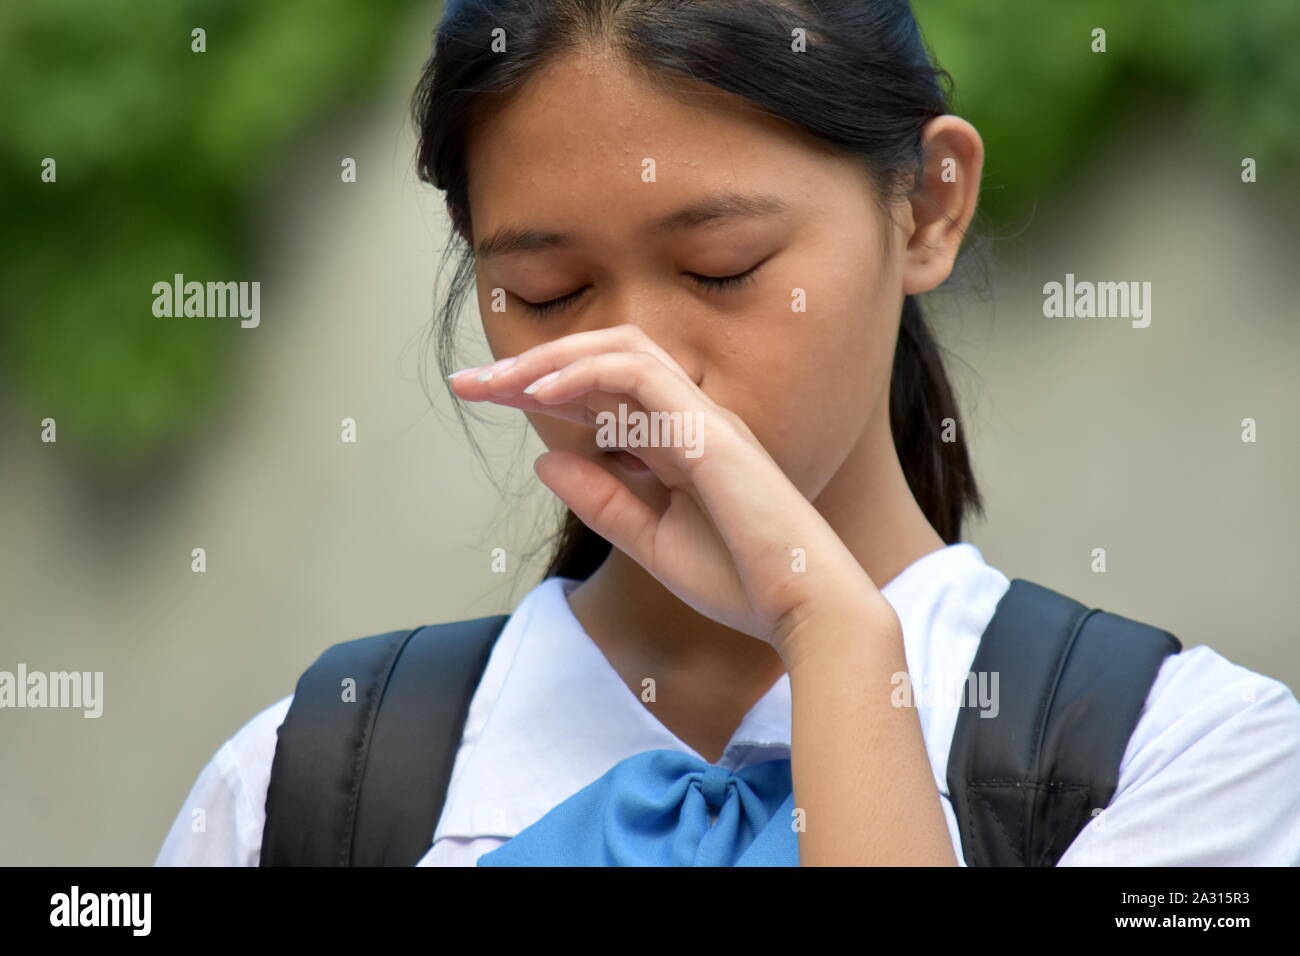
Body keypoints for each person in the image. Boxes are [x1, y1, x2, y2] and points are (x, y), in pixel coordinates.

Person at [156, 0, 1300, 866]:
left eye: (723, 267)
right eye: (549, 290)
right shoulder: (303, 787)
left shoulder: (1187, 757)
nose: (640, 370)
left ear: (929, 205)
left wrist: (833, 636)